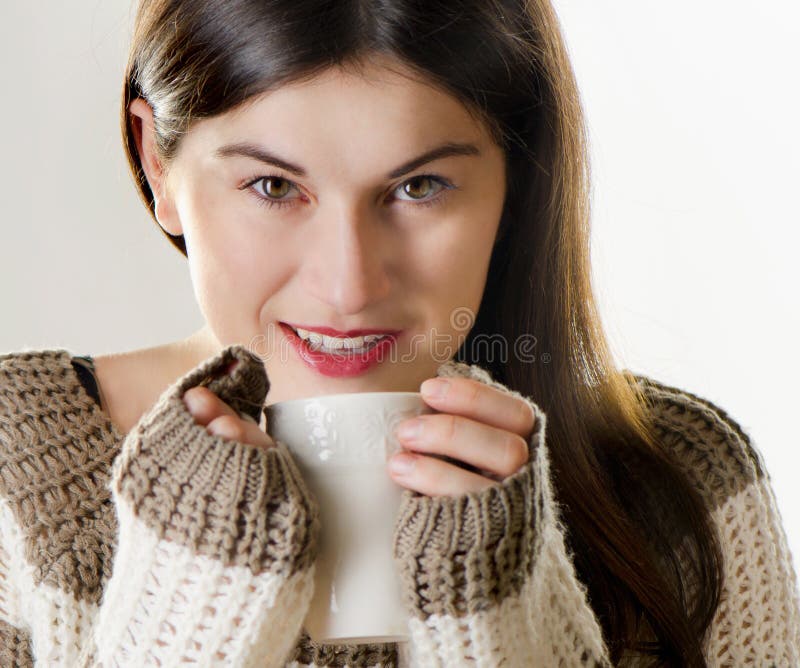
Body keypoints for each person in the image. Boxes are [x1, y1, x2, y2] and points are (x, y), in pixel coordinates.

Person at [0, 0, 798, 665]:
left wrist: (504, 626)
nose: (349, 286)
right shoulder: (16, 465)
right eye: (273, 186)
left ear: (514, 184)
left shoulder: (685, 483)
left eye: (419, 186)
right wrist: (187, 624)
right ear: (158, 164)